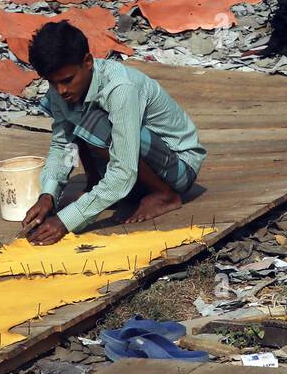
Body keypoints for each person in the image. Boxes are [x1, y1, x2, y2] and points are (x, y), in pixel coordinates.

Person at [21, 20, 206, 245]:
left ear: (88, 62)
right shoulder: (60, 92)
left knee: (94, 126)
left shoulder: (119, 89)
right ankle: (97, 186)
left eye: (67, 80)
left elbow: (124, 170)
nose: (61, 90)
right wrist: (48, 195)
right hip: (136, 161)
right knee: (79, 122)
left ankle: (163, 195)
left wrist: (65, 221)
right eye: (53, 82)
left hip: (178, 167)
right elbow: (64, 145)